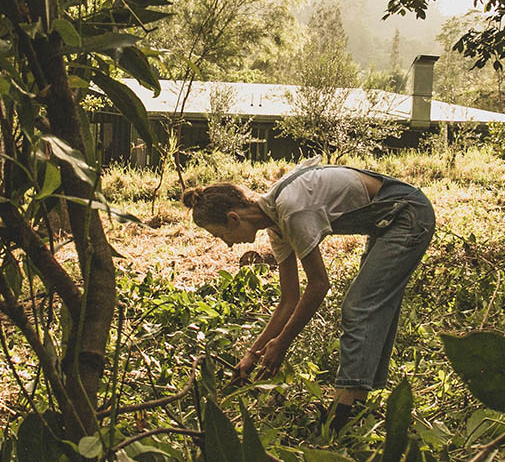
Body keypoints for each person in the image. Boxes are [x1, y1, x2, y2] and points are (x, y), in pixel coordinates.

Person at [181, 158, 435, 431]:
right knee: (371, 305)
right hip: (385, 223)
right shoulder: (276, 225)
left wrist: (282, 343)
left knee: (359, 306)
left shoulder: (291, 210)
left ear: (233, 218)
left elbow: (318, 286)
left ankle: (343, 412)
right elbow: (289, 299)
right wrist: (252, 355)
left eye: (221, 236)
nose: (228, 245)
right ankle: (357, 407)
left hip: (407, 214)